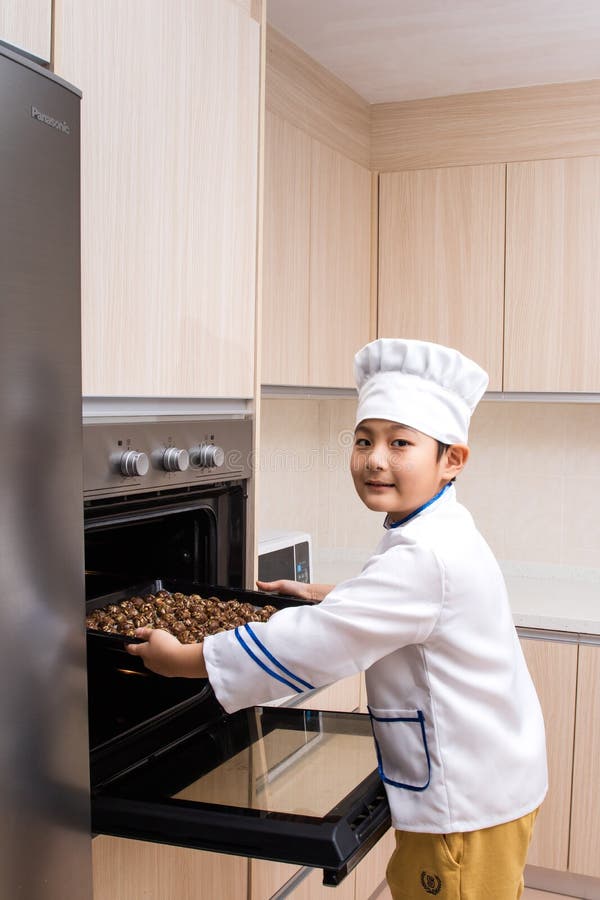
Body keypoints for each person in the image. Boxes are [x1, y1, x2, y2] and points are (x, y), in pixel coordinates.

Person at [127, 338, 547, 900]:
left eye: (400, 443)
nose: (375, 458)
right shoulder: (435, 529)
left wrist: (184, 659)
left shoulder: (427, 553)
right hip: (487, 781)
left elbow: (320, 643)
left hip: (464, 803)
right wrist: (324, 591)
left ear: (452, 460)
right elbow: (403, 606)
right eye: (363, 440)